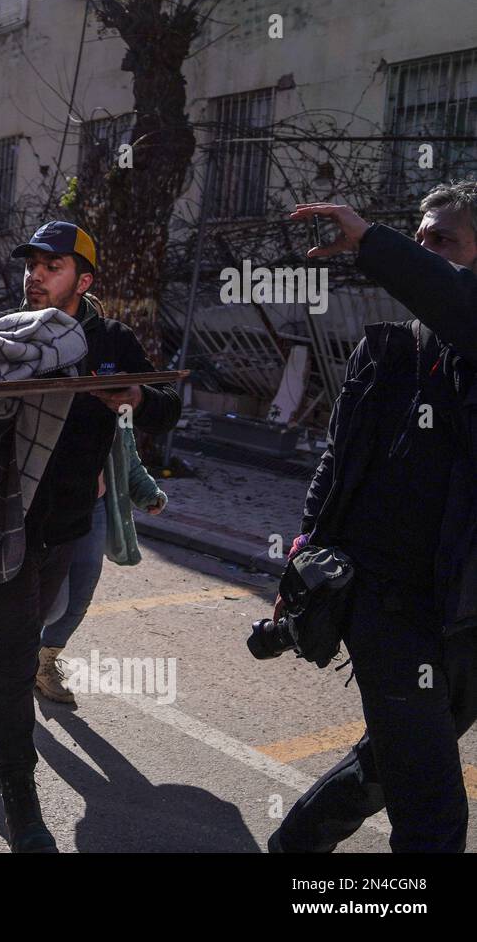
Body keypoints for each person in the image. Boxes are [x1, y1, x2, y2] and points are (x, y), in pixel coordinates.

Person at [0, 221, 181, 851]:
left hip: (70, 523)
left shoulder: (111, 339)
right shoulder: (7, 334)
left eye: (52, 266)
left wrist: (131, 395)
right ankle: (24, 807)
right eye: (32, 264)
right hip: (3, 522)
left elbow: (165, 405)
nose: (36, 275)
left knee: (11, 639)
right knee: (20, 655)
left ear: (85, 279)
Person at [270, 183, 477, 854]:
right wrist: (303, 553)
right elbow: (338, 465)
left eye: (441, 239)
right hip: (388, 611)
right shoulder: (384, 350)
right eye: (417, 236)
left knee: (388, 768)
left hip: (465, 616)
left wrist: (372, 243)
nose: (422, 248)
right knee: (435, 817)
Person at [35, 425, 168, 703]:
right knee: (48, 599)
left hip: (93, 507)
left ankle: (43, 663)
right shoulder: (63, 388)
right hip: (49, 505)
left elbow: (126, 454)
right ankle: (4, 635)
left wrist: (146, 492)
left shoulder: (114, 399)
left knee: (81, 594)